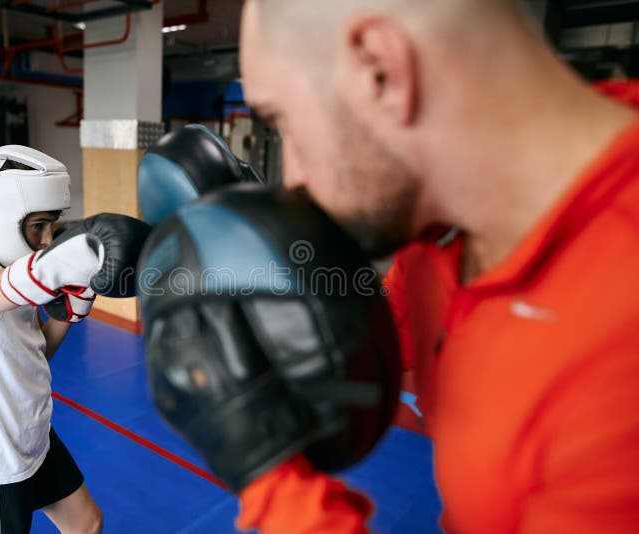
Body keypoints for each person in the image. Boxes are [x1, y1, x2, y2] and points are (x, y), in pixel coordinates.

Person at [142, 1, 639, 532]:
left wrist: (269, 476)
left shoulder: (617, 350)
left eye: (282, 119)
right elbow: (355, 343)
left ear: (381, 70)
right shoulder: (439, 228)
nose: (291, 177)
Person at [0, 145, 148, 534]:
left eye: (52, 224)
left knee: (86, 523)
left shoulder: (13, 277)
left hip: (34, 438)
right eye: (38, 226)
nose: (47, 237)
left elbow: (36, 351)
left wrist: (77, 302)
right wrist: (57, 265)